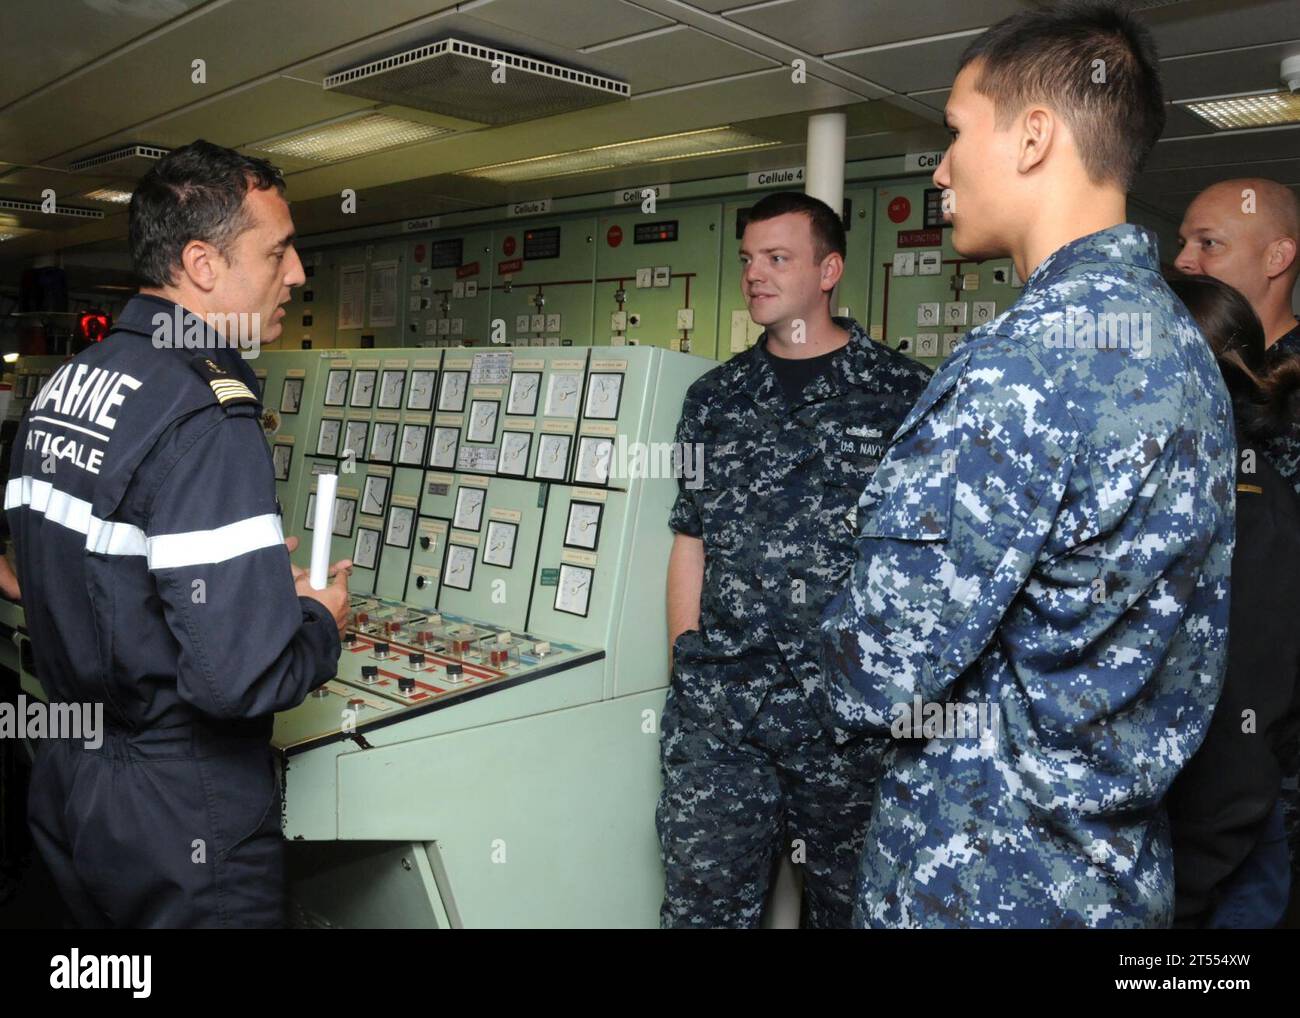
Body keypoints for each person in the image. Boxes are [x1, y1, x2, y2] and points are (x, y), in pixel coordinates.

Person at [820, 1, 1236, 927]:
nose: (939, 168)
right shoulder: (1181, 345)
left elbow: (878, 672)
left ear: (1036, 135)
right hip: (1109, 877)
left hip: (982, 883)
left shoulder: (1028, 361)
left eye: (956, 133)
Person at [4, 140, 351, 928]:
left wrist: (244, 591)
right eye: (278, 251)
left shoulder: (69, 382)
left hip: (70, 776)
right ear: (202, 263)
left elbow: (80, 569)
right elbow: (237, 680)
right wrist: (315, 624)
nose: (296, 275)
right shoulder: (206, 414)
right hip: (178, 809)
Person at [657, 191, 931, 927]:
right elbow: (691, 537)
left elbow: (925, 562)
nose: (756, 274)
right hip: (725, 718)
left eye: (778, 258)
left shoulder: (903, 395)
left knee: (855, 914)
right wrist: (687, 660)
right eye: (748, 258)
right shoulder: (711, 399)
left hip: (849, 728)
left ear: (830, 269)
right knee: (701, 913)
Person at [1164, 273, 1300, 928]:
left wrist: (1177, 899)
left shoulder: (1247, 506)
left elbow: (1242, 736)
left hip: (1215, 864)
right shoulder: (1182, 484)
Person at [1174, 178, 1300, 362]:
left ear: (1276, 257)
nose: (1180, 261)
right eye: (1182, 244)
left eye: (1209, 243)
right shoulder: (1182, 359)